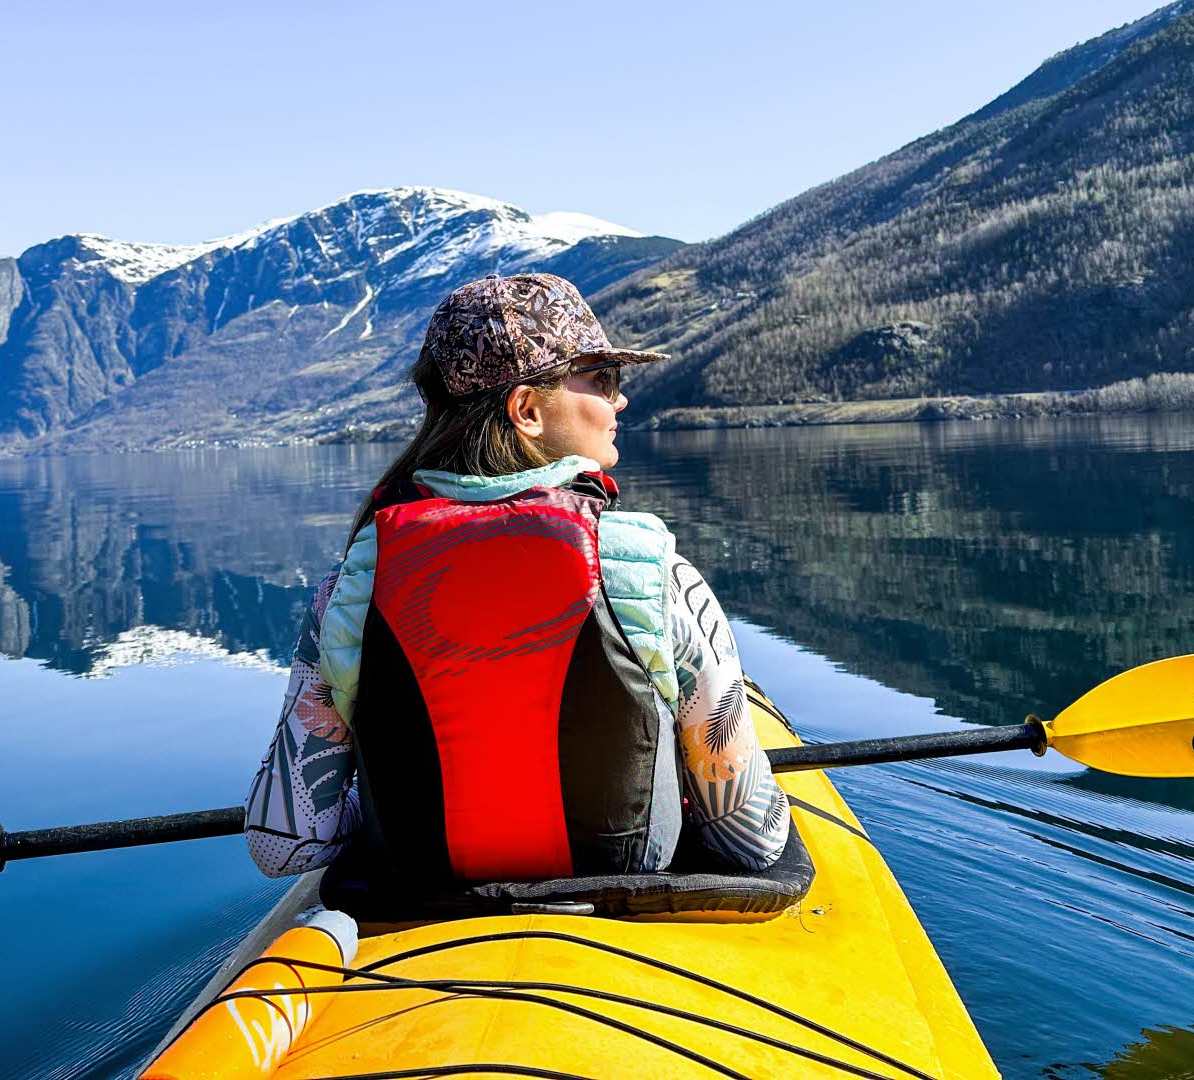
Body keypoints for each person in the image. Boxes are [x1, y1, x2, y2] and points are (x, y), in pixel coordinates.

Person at [244, 272, 788, 883]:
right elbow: (752, 840)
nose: (621, 401)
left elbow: (284, 844)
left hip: (426, 912)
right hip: (621, 902)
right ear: (527, 410)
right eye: (603, 379)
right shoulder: (653, 572)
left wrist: (371, 808)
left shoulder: (352, 585)